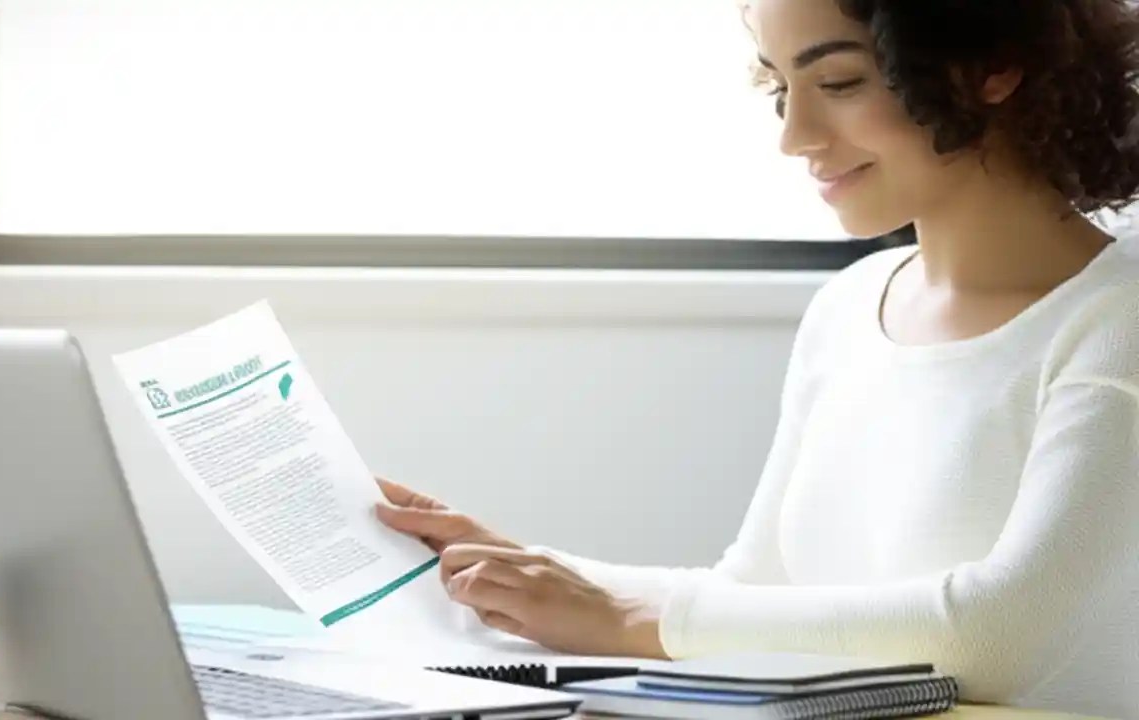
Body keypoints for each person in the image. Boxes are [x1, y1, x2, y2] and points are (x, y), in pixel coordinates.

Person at [374, 0, 1139, 709]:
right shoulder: (847, 309)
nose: (794, 135)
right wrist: (522, 571)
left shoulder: (1117, 318)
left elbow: (999, 634)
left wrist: (620, 614)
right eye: (780, 91)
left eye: (837, 81)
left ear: (992, 67)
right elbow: (755, 593)